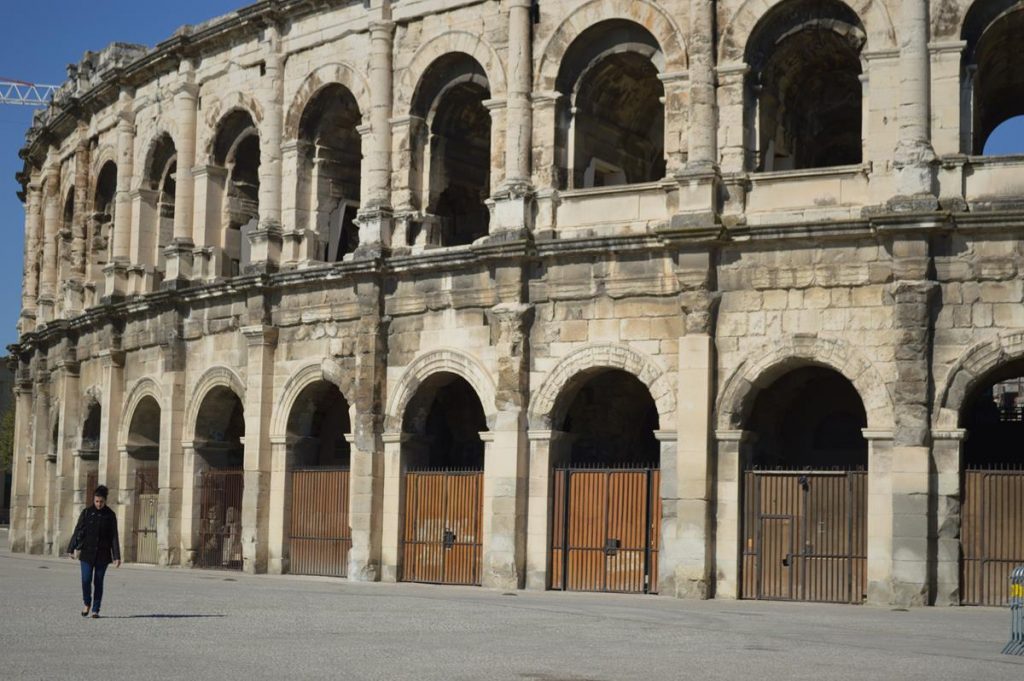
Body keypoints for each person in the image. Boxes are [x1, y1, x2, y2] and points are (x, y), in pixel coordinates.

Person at [68, 485, 121, 618]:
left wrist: (117, 556)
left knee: (98, 582)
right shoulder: (87, 512)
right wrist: (71, 548)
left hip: (103, 554)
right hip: (87, 553)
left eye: (101, 501)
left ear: (105, 500)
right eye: (96, 501)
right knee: (86, 580)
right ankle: (87, 603)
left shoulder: (110, 515)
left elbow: (114, 536)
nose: (98, 504)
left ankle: (96, 609)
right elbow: (78, 530)